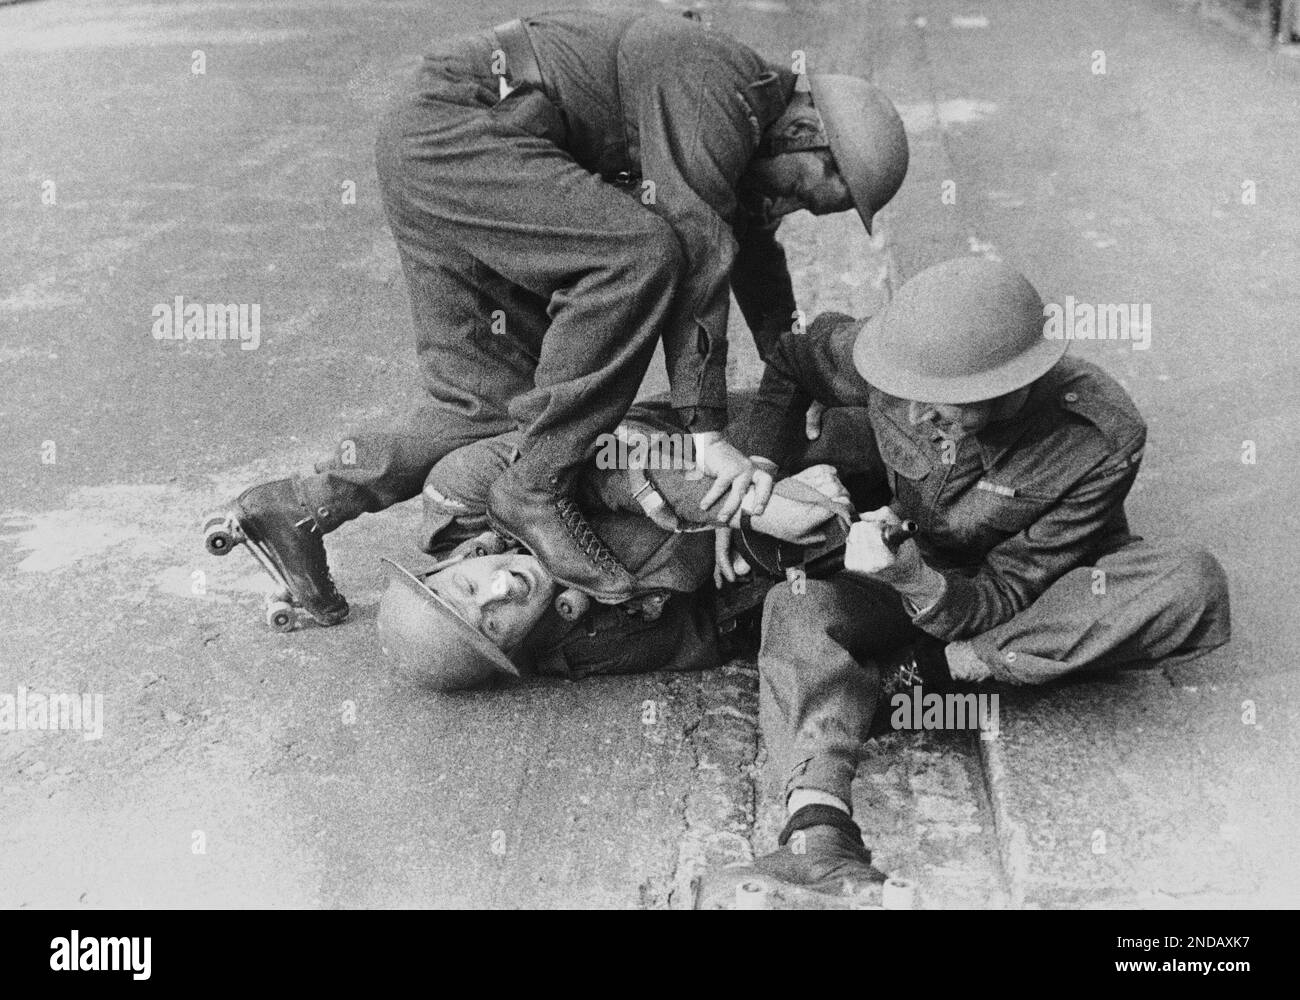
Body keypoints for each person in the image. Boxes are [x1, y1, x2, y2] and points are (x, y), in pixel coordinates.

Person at [219, 7, 909, 625]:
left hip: (438, 145)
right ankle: (535, 489)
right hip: (463, 127)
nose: (792, 211)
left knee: (494, 407)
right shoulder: (721, 84)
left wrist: (791, 358)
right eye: (812, 196)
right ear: (806, 130)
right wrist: (704, 434)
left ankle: (301, 505)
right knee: (639, 255)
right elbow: (698, 240)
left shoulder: (747, 120)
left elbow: (748, 242)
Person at [741, 257, 1232, 894]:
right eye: (907, 400)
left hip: (1026, 600)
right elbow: (793, 354)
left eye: (942, 413)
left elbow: (1009, 590)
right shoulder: (899, 359)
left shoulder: (1099, 435)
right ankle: (819, 829)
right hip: (908, 564)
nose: (916, 418)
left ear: (1011, 388)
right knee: (797, 603)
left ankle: (924, 679)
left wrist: (915, 580)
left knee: (1189, 583)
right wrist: (761, 469)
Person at [376, 400, 856, 689]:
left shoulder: (459, 492)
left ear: (450, 563)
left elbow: (606, 457)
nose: (501, 591)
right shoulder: (571, 648)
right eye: (494, 624)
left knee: (857, 427)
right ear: (512, 648)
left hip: (708, 446)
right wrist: (770, 560)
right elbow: (707, 631)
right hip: (760, 541)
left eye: (468, 586)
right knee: (883, 545)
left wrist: (742, 505)